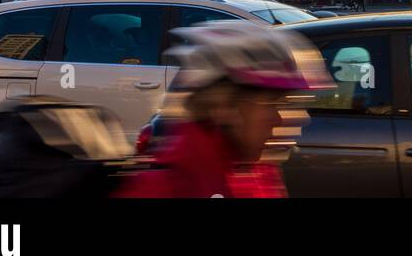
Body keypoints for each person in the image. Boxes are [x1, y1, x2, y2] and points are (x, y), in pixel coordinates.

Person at [116, 20, 331, 199]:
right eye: (270, 103)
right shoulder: (162, 187)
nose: (279, 119)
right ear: (223, 106)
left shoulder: (255, 174)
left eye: (284, 104)